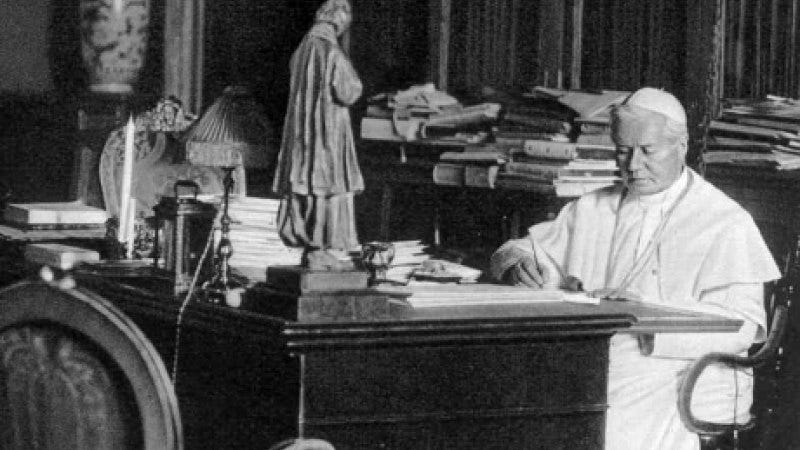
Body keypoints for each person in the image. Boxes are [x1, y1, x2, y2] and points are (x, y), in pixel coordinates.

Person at [489, 87, 781, 450]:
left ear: (682, 146)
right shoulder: (594, 207)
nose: (632, 165)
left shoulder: (725, 220)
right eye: (623, 151)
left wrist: (647, 318)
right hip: (599, 352)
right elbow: (516, 250)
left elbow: (742, 328)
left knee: (603, 406)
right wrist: (519, 264)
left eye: (647, 151)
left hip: (680, 364)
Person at [272, 0, 363, 270]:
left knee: (308, 183)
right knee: (328, 184)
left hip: (303, 134)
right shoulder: (330, 49)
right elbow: (348, 90)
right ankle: (320, 247)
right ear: (340, 20)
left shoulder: (303, 48)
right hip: (326, 133)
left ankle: (314, 246)